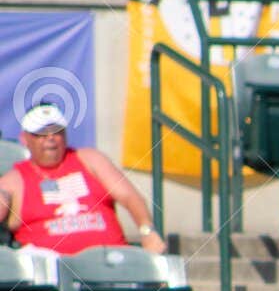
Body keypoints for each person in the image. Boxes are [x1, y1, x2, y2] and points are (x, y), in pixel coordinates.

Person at [0, 104, 167, 256]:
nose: (50, 138)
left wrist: (148, 232)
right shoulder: (15, 180)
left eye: (56, 131)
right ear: (25, 139)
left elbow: (131, 197)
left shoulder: (90, 159)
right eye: (41, 133)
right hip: (52, 272)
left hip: (112, 262)